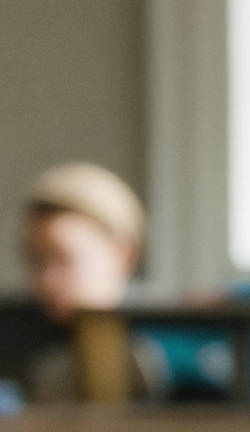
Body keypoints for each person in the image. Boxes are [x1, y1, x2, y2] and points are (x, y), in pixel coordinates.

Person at [21, 162, 167, 401]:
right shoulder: (46, 360)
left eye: (64, 260)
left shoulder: (160, 354)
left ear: (123, 256)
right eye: (35, 261)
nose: (46, 280)